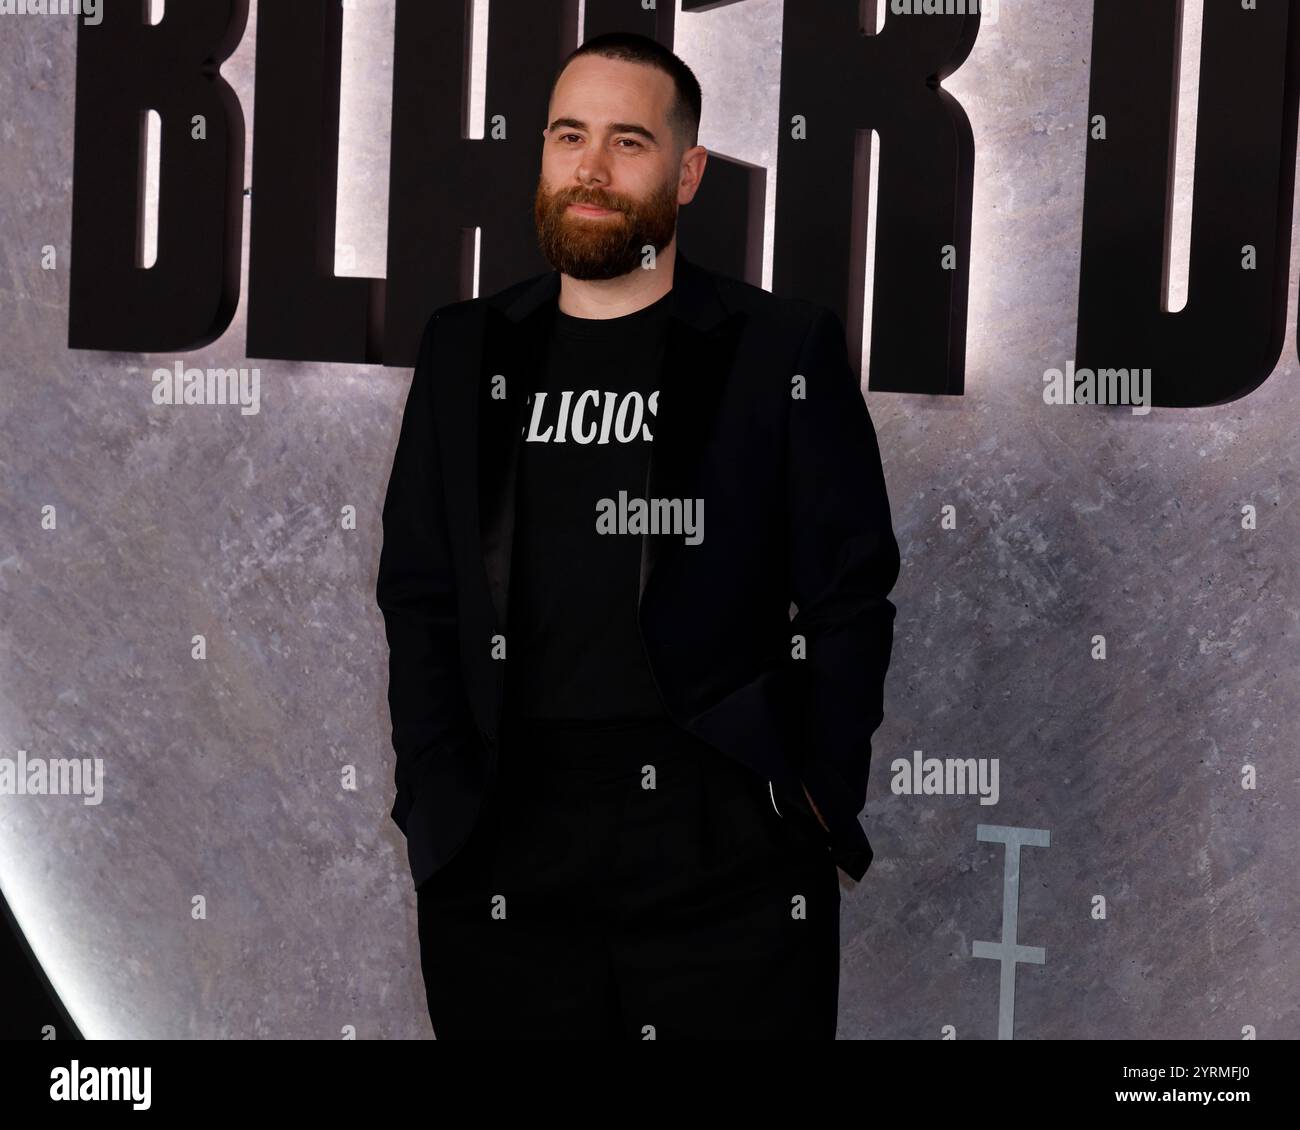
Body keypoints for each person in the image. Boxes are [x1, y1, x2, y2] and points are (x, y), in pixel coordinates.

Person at [376, 31, 900, 1039]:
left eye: (629, 141)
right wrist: (435, 794)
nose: (591, 168)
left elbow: (850, 590)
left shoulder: (776, 347)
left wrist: (816, 795)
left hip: (723, 851)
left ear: (687, 171)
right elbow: (421, 587)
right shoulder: (462, 347)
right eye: (570, 135)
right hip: (501, 845)